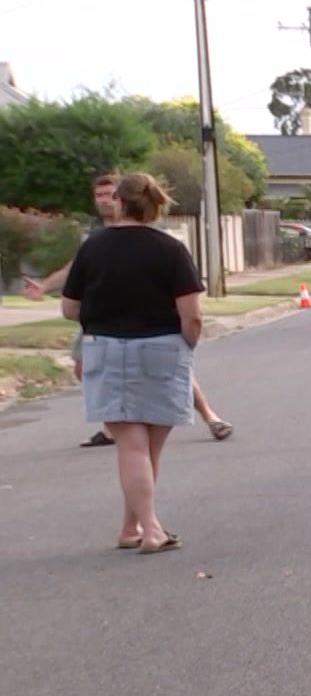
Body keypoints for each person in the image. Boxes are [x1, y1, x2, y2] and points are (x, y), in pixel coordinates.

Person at [28, 173, 233, 446]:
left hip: (118, 328)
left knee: (151, 382)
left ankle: (208, 416)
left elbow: (71, 304)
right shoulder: (97, 240)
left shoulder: (141, 243)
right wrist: (44, 286)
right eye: (98, 195)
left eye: (109, 194)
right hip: (111, 326)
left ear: (121, 199)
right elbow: (73, 272)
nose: (103, 200)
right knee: (88, 368)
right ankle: (112, 423)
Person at [59, 173, 203, 553]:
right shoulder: (170, 250)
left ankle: (141, 528)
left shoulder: (93, 248)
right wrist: (186, 346)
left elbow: (69, 308)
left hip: (106, 348)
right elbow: (192, 314)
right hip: (161, 348)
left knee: (130, 446)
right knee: (148, 450)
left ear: (119, 202)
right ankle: (141, 528)